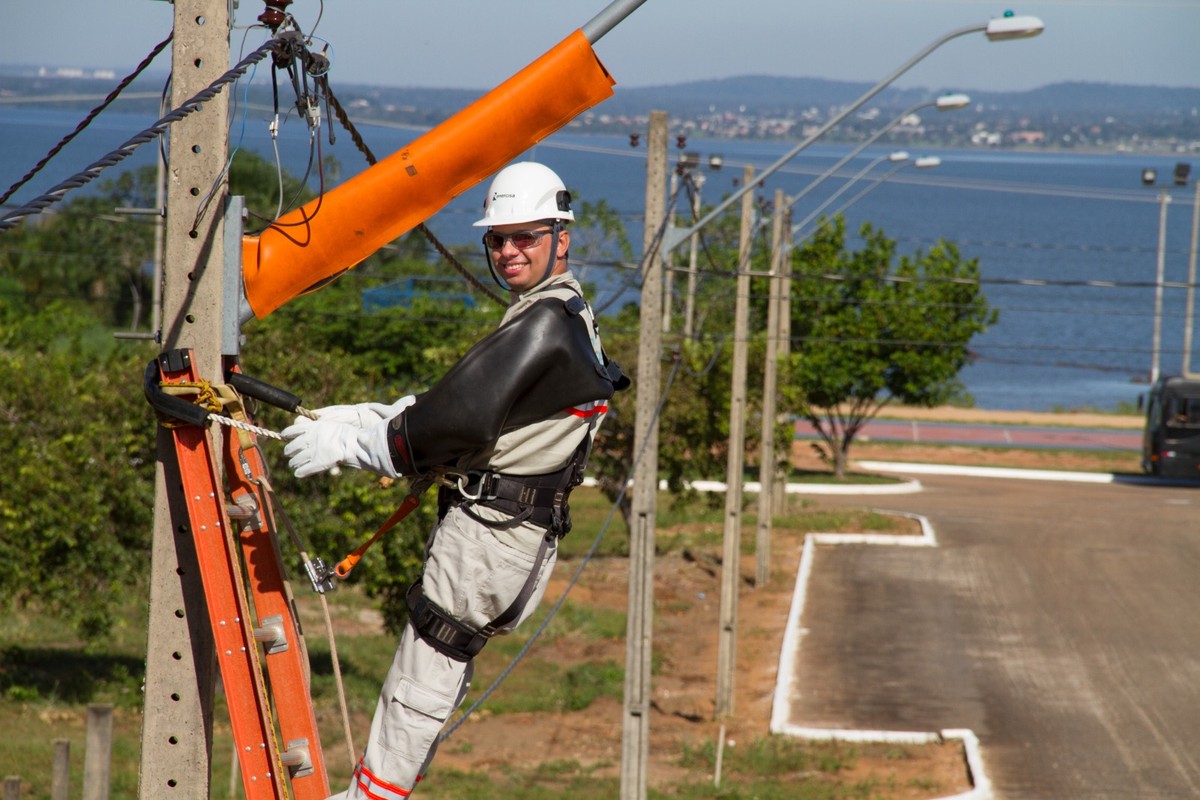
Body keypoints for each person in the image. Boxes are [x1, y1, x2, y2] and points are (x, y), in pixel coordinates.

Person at [280, 161, 628, 799]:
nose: (509, 250)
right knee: (440, 663)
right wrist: (374, 416)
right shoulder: (562, 314)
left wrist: (360, 443)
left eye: (525, 236)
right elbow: (487, 408)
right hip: (512, 534)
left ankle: (372, 797)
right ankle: (383, 790)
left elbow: (457, 421)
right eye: (498, 239)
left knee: (428, 664)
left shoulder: (543, 323)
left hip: (493, 536)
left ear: (562, 237)